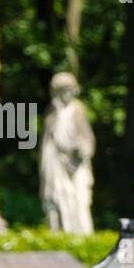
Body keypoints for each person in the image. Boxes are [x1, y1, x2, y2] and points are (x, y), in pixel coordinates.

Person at [39, 72, 95, 233]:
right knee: (56, 195)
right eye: (61, 91)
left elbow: (86, 137)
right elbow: (48, 138)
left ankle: (79, 232)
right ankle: (59, 230)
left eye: (68, 90)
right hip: (56, 160)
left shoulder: (77, 109)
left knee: (78, 198)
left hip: (75, 162)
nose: (66, 94)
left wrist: (81, 149)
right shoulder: (52, 111)